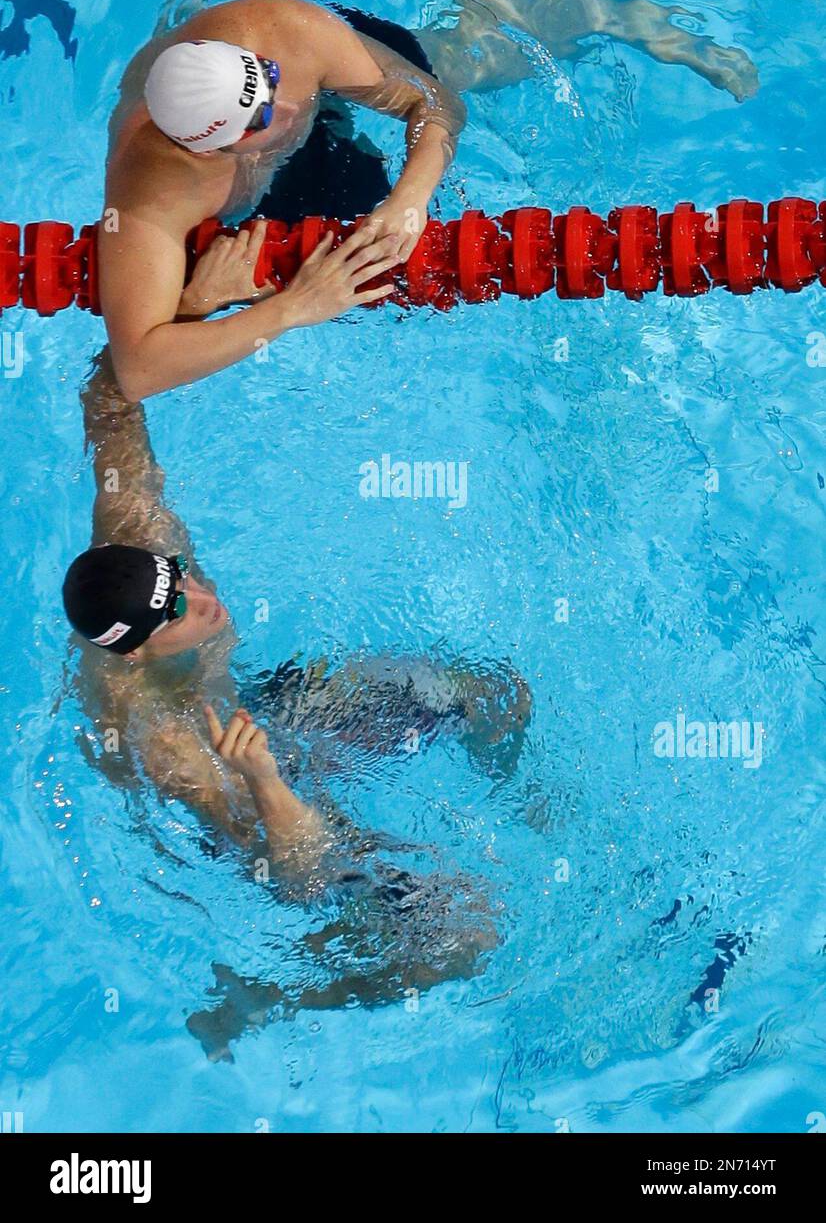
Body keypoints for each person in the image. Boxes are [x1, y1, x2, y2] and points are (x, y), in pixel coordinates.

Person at [61, 344, 531, 1055]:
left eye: (182, 577)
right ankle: (274, 999)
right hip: (252, 796)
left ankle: (525, 796)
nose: (203, 601)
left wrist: (202, 296)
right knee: (463, 937)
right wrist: (266, 781)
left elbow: (113, 390)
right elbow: (297, 874)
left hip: (264, 715)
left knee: (491, 692)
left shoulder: (137, 538)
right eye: (177, 613)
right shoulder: (160, 738)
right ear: (132, 651)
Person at [101, 0, 758, 401]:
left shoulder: (288, 40)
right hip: (263, 186)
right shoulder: (153, 192)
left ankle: (594, 12)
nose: (289, 103)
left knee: (459, 62)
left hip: (328, 62)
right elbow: (137, 368)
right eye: (266, 115)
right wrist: (287, 308)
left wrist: (412, 198)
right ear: (211, 146)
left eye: (269, 83)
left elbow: (436, 106)